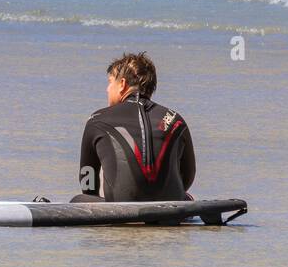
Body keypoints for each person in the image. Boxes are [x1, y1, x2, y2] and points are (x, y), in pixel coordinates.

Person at [71, 51, 195, 203]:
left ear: (122, 84)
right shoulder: (175, 119)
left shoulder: (97, 120)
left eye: (110, 82)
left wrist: (95, 201)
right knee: (187, 198)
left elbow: (87, 176)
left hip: (120, 209)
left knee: (78, 200)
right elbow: (188, 175)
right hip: (170, 207)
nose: (107, 89)